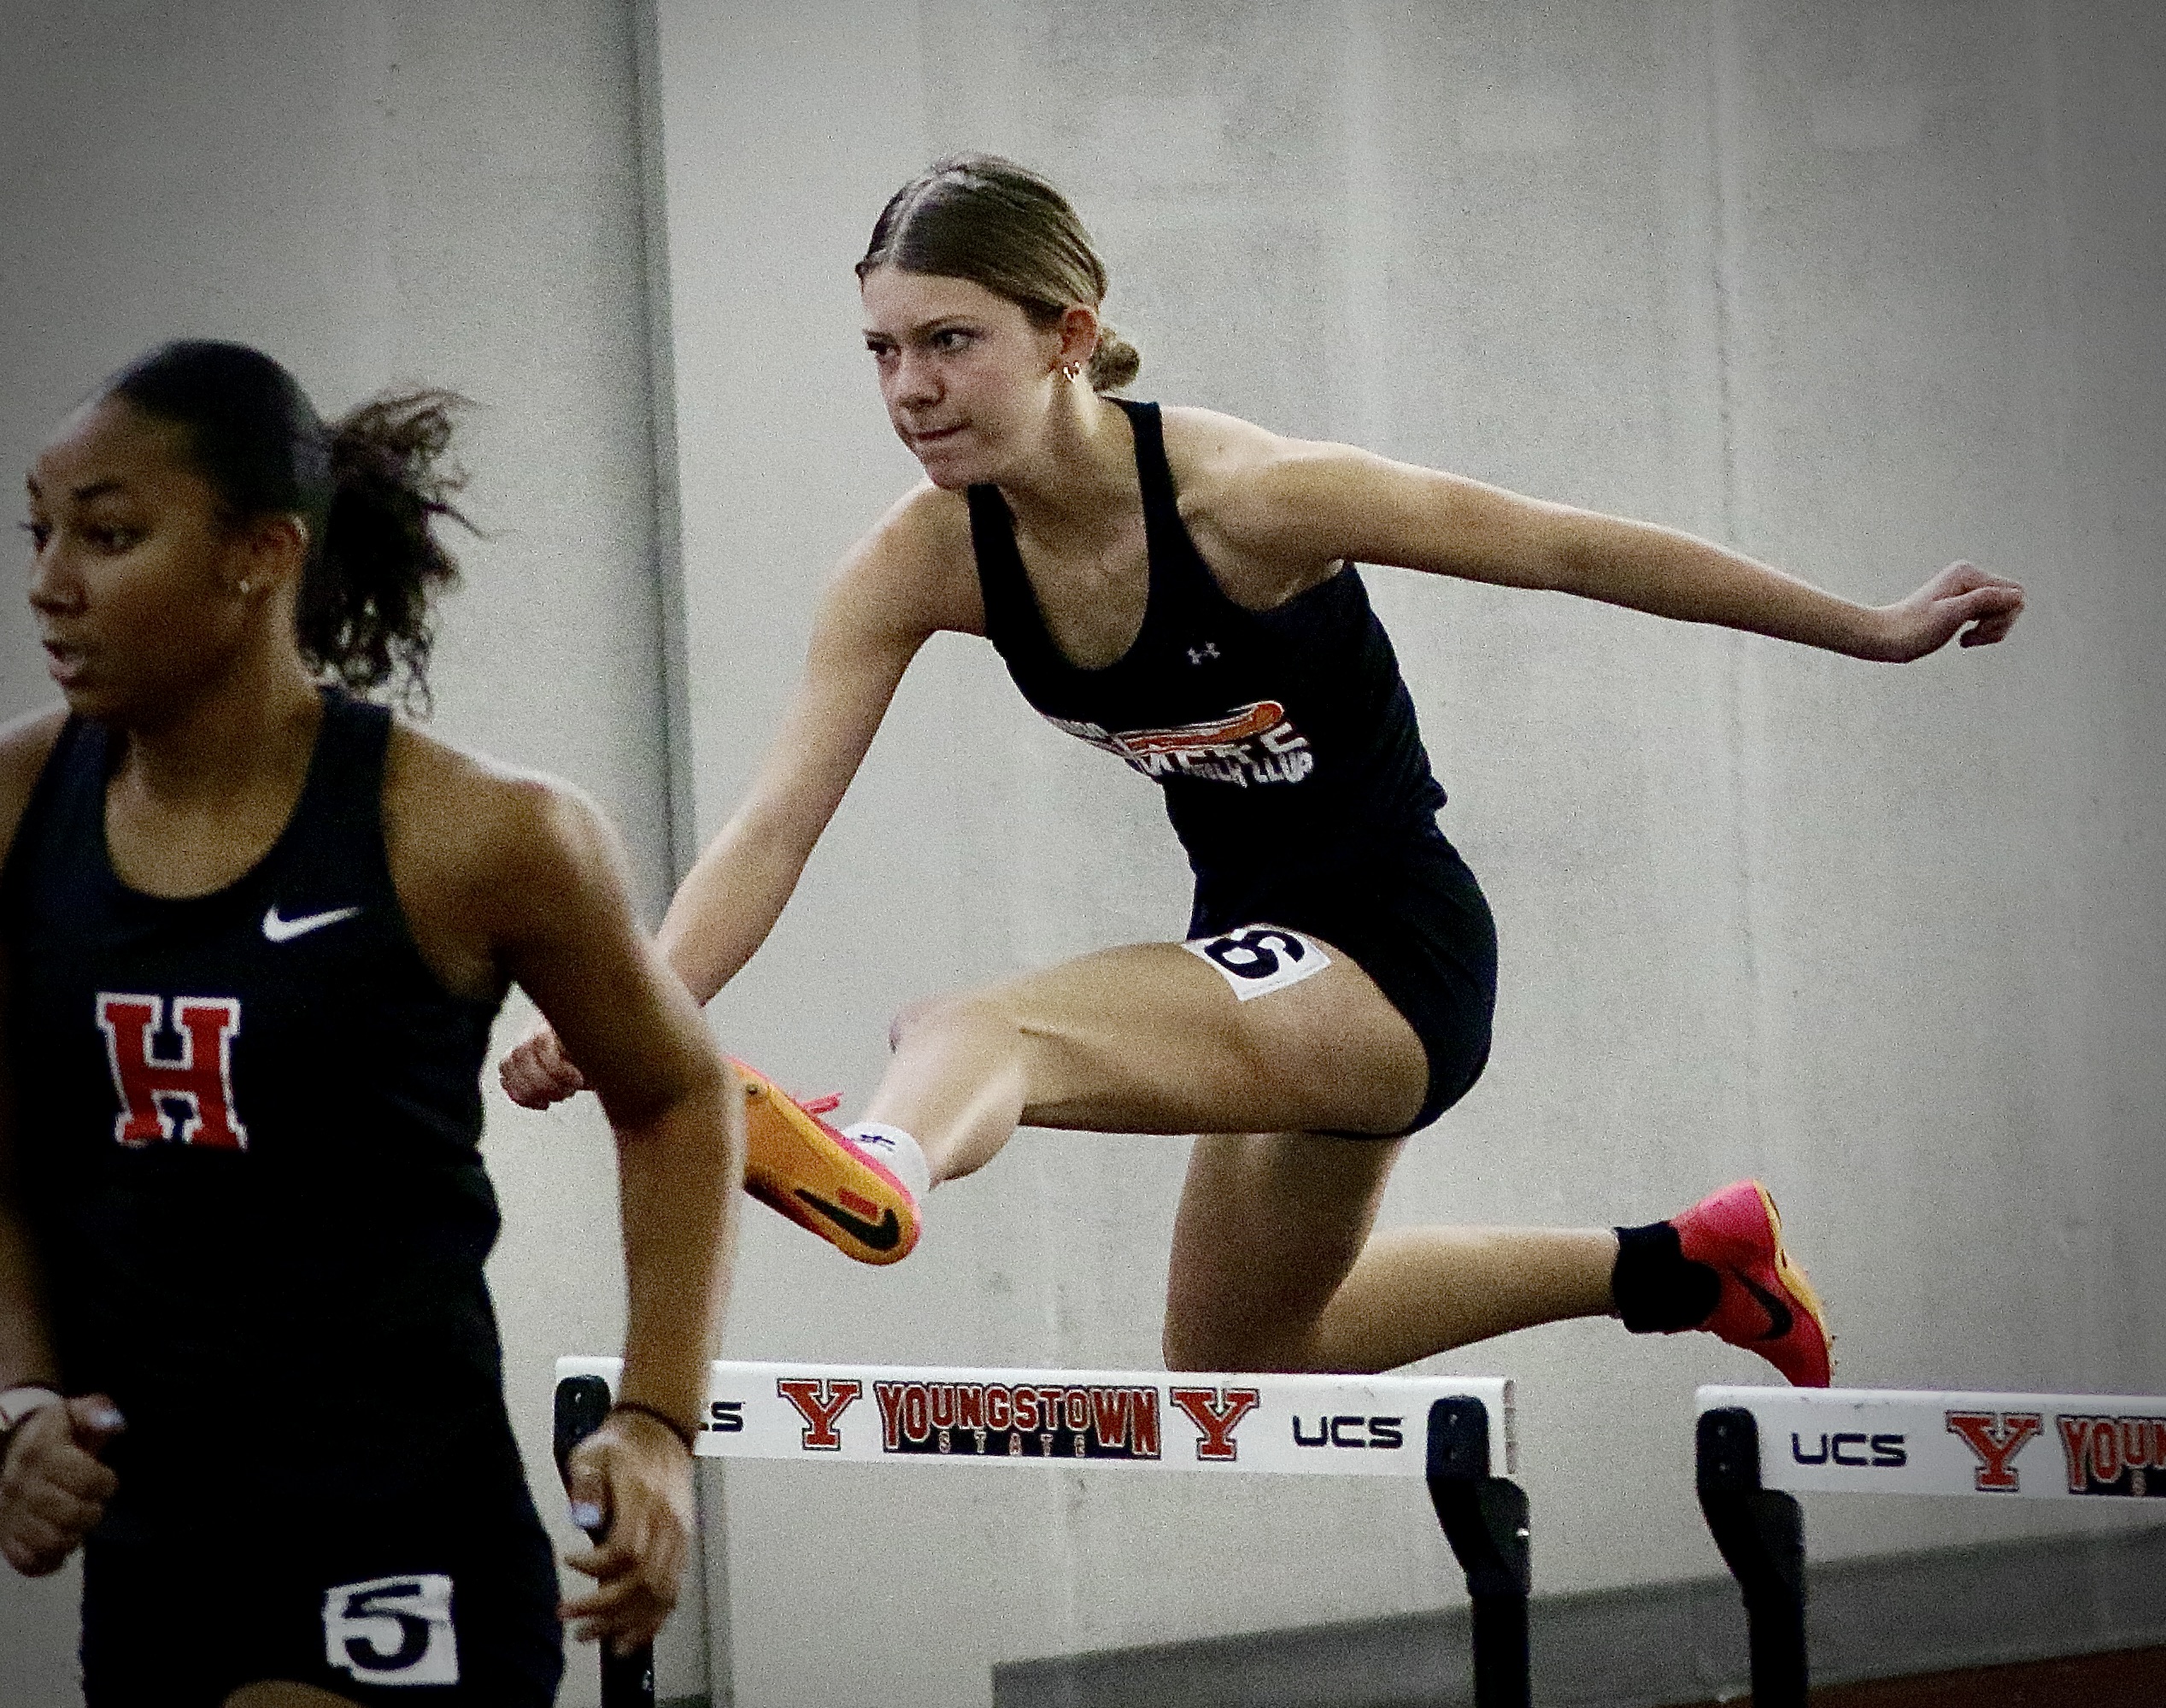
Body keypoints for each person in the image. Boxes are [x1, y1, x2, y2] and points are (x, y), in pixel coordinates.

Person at [501, 154, 2022, 1388]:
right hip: (1256, 963)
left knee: (971, 1026)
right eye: (884, 351)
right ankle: (1686, 1265)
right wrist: (633, 1004)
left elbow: (1567, 548)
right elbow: (771, 830)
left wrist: (1872, 630)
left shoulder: (1250, 500)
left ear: (1069, 333)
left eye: (951, 340)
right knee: (1241, 1352)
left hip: (1394, 956)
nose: (909, 388)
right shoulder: (919, 565)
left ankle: (884, 1162)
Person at [0, 340, 743, 1706]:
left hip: (402, 1537)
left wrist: (656, 1426)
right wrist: (23, 1406)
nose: (50, 585)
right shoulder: (17, 806)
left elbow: (682, 1096)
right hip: (157, 1551)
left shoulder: (485, 834)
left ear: (260, 553)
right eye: (39, 534)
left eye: (108, 536)